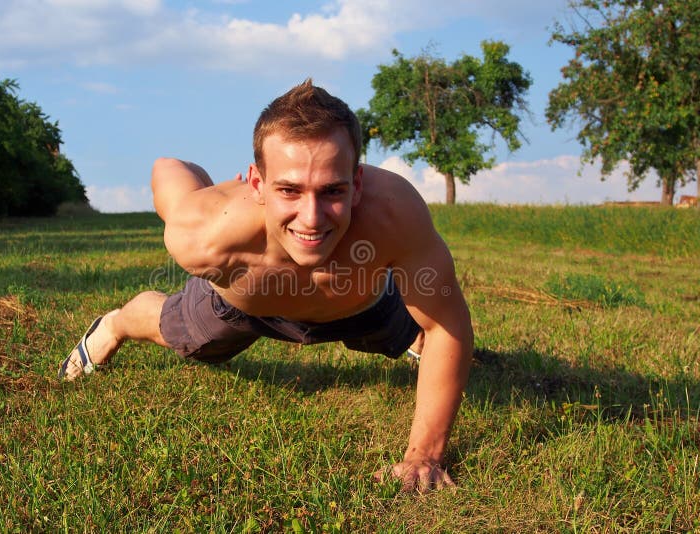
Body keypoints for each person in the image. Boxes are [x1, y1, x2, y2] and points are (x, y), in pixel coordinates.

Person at [59, 79, 473, 493]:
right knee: (171, 330)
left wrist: (424, 457)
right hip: (241, 309)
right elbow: (166, 167)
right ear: (257, 184)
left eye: (332, 191)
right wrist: (208, 190)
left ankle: (408, 340)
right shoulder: (204, 231)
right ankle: (113, 325)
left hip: (363, 308)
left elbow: (447, 327)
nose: (311, 218)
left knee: (423, 330)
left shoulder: (394, 213)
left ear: (357, 182)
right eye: (288, 190)